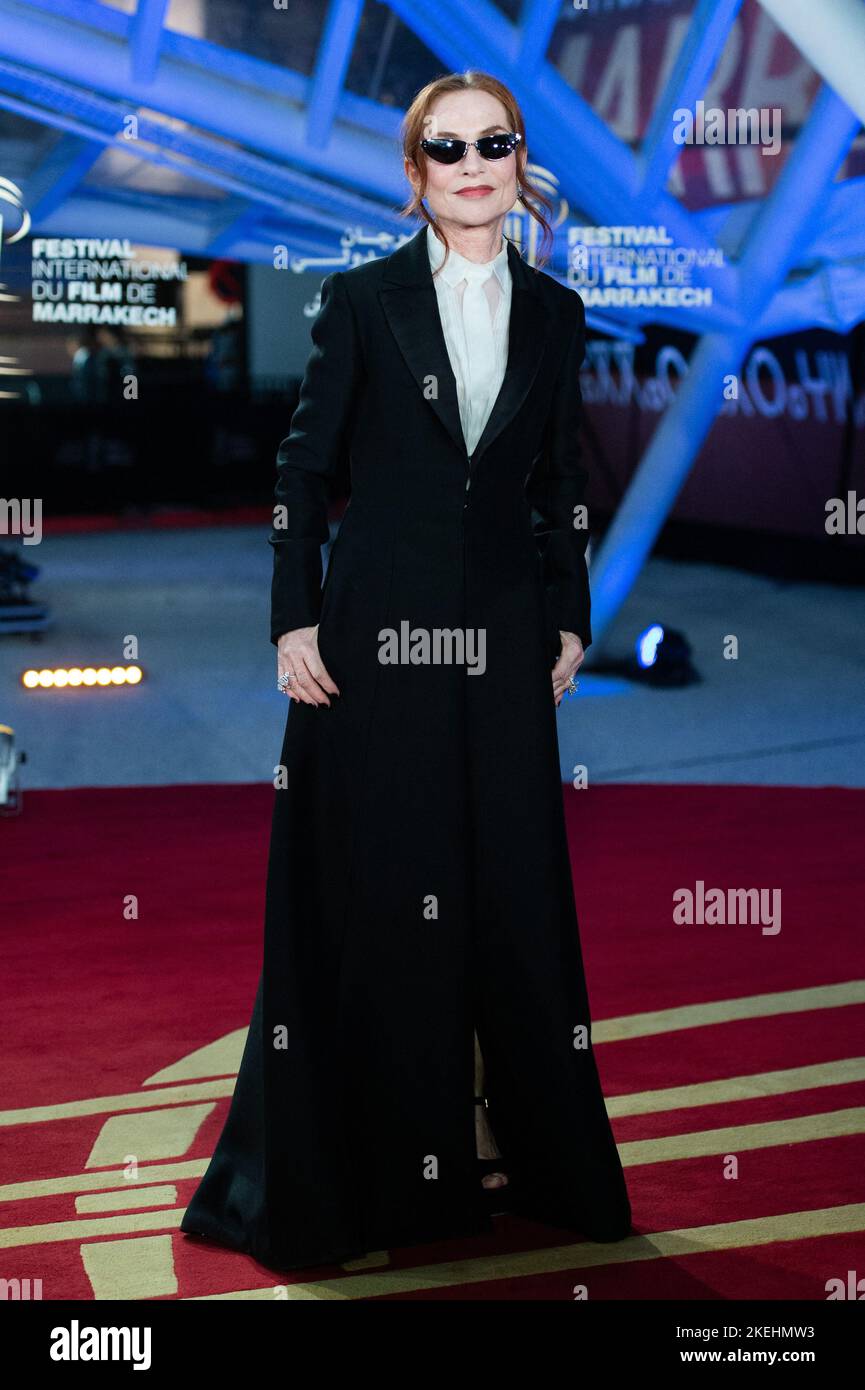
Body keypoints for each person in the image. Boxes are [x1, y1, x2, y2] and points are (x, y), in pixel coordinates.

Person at [180, 70, 632, 1273]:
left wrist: (570, 618)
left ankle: (511, 1150)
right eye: (448, 146)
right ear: (416, 169)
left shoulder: (556, 311)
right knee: (379, 895)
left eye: (494, 142)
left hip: (500, 651)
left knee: (510, 898)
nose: (473, 162)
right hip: (370, 648)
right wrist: (294, 621)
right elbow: (299, 473)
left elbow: (554, 491)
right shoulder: (362, 301)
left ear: (518, 159)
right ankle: (374, 1175)